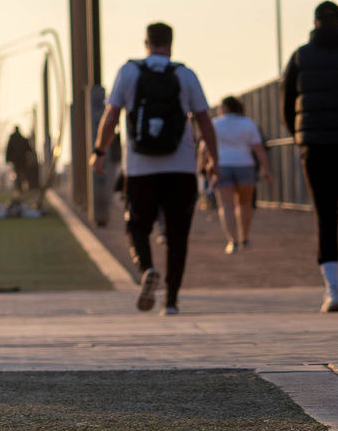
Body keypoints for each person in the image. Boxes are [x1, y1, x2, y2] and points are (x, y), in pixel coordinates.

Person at [92, 22, 216, 315]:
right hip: (181, 167)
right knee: (177, 235)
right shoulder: (185, 74)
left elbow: (111, 116)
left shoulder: (129, 72)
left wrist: (98, 152)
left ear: (145, 43)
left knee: (136, 225)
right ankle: (171, 300)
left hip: (140, 167)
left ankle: (147, 269)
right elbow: (204, 120)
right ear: (170, 44)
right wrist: (213, 159)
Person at [282, 0, 338, 312]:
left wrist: (300, 137)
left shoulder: (300, 56)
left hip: (315, 146)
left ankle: (333, 290)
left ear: (315, 22)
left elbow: (287, 101)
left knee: (324, 217)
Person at [209, 95, 267, 254]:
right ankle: (245, 238)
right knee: (245, 204)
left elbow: (204, 148)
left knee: (226, 206)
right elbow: (258, 148)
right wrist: (265, 169)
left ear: (224, 107)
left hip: (223, 166)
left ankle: (232, 241)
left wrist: (204, 166)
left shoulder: (215, 124)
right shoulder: (248, 123)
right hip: (245, 165)